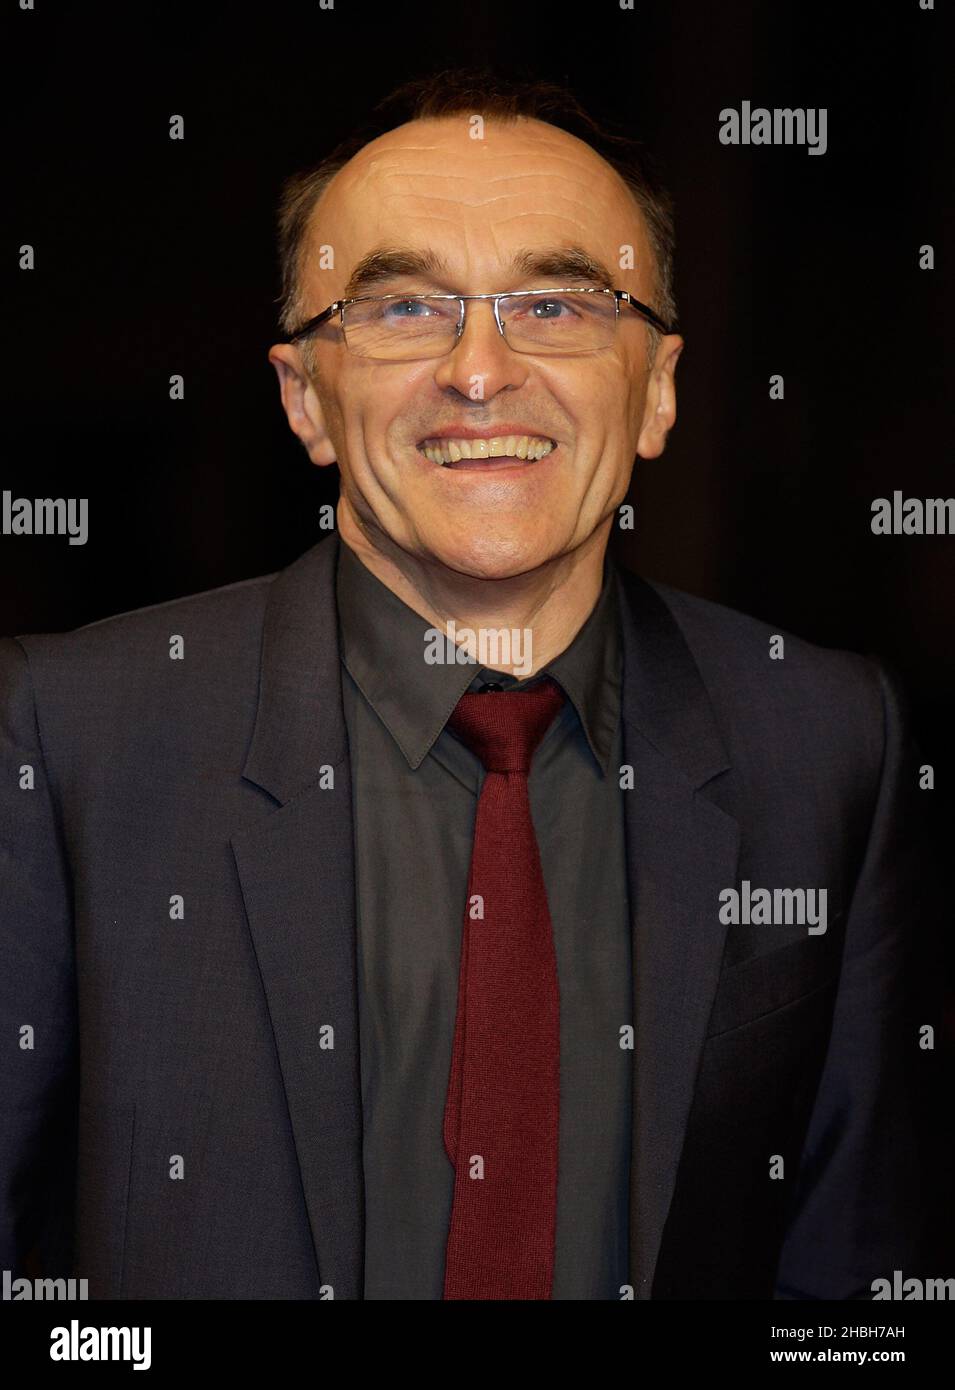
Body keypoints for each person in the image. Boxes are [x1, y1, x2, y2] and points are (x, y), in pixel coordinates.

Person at [0, 68, 943, 1300]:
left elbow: (848, 1275)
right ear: (305, 400)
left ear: (656, 386)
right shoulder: (67, 737)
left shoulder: (827, 742)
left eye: (555, 305)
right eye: (402, 309)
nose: (481, 370)